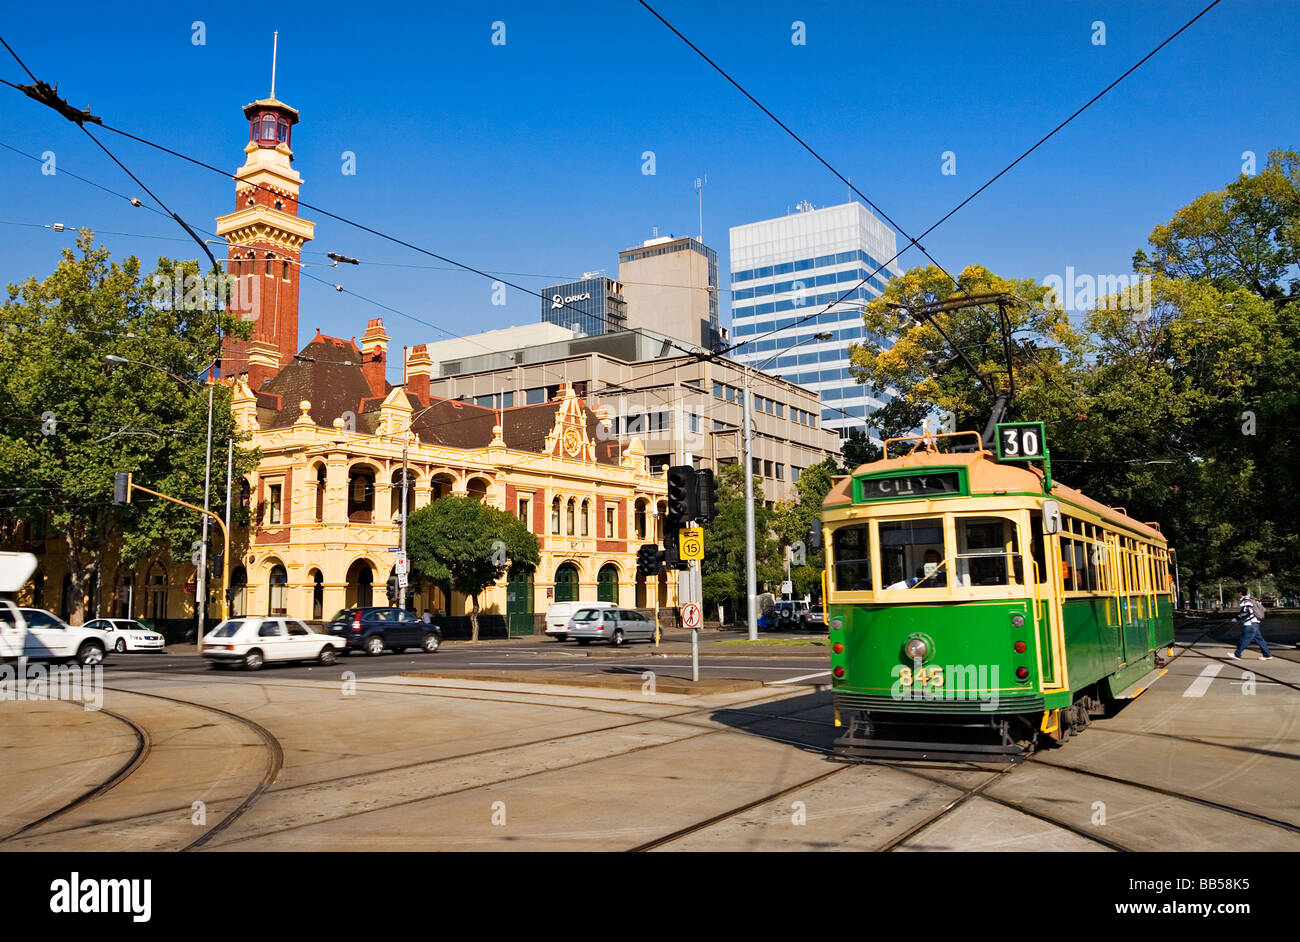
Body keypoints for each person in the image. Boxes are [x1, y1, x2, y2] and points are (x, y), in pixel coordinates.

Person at [1228, 590, 1272, 660]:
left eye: (1236, 593)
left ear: (1240, 593)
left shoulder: (1245, 601)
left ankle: (1237, 654)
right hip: (1255, 622)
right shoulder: (1249, 599)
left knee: (1244, 639)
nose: (1236, 594)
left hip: (1250, 623)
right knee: (1259, 640)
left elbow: (1248, 612)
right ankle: (1267, 654)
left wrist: (1237, 618)